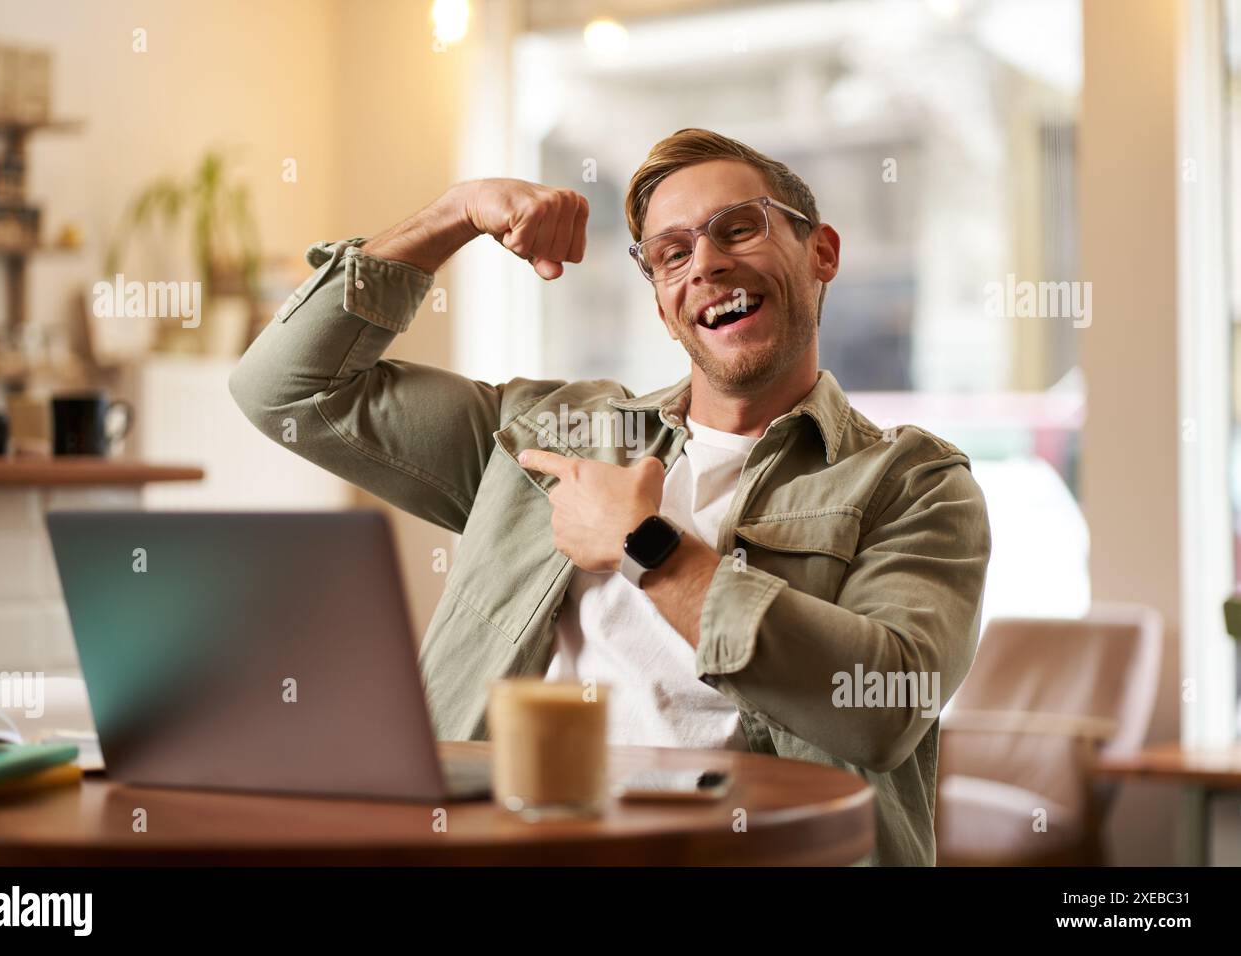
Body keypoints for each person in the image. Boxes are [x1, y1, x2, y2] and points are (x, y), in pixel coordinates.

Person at [229, 128, 992, 866]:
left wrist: (650, 549)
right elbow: (284, 392)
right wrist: (454, 213)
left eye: (738, 229)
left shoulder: (913, 483)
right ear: (662, 301)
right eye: (673, 254)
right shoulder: (555, 434)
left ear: (820, 251)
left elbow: (883, 706)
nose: (708, 266)